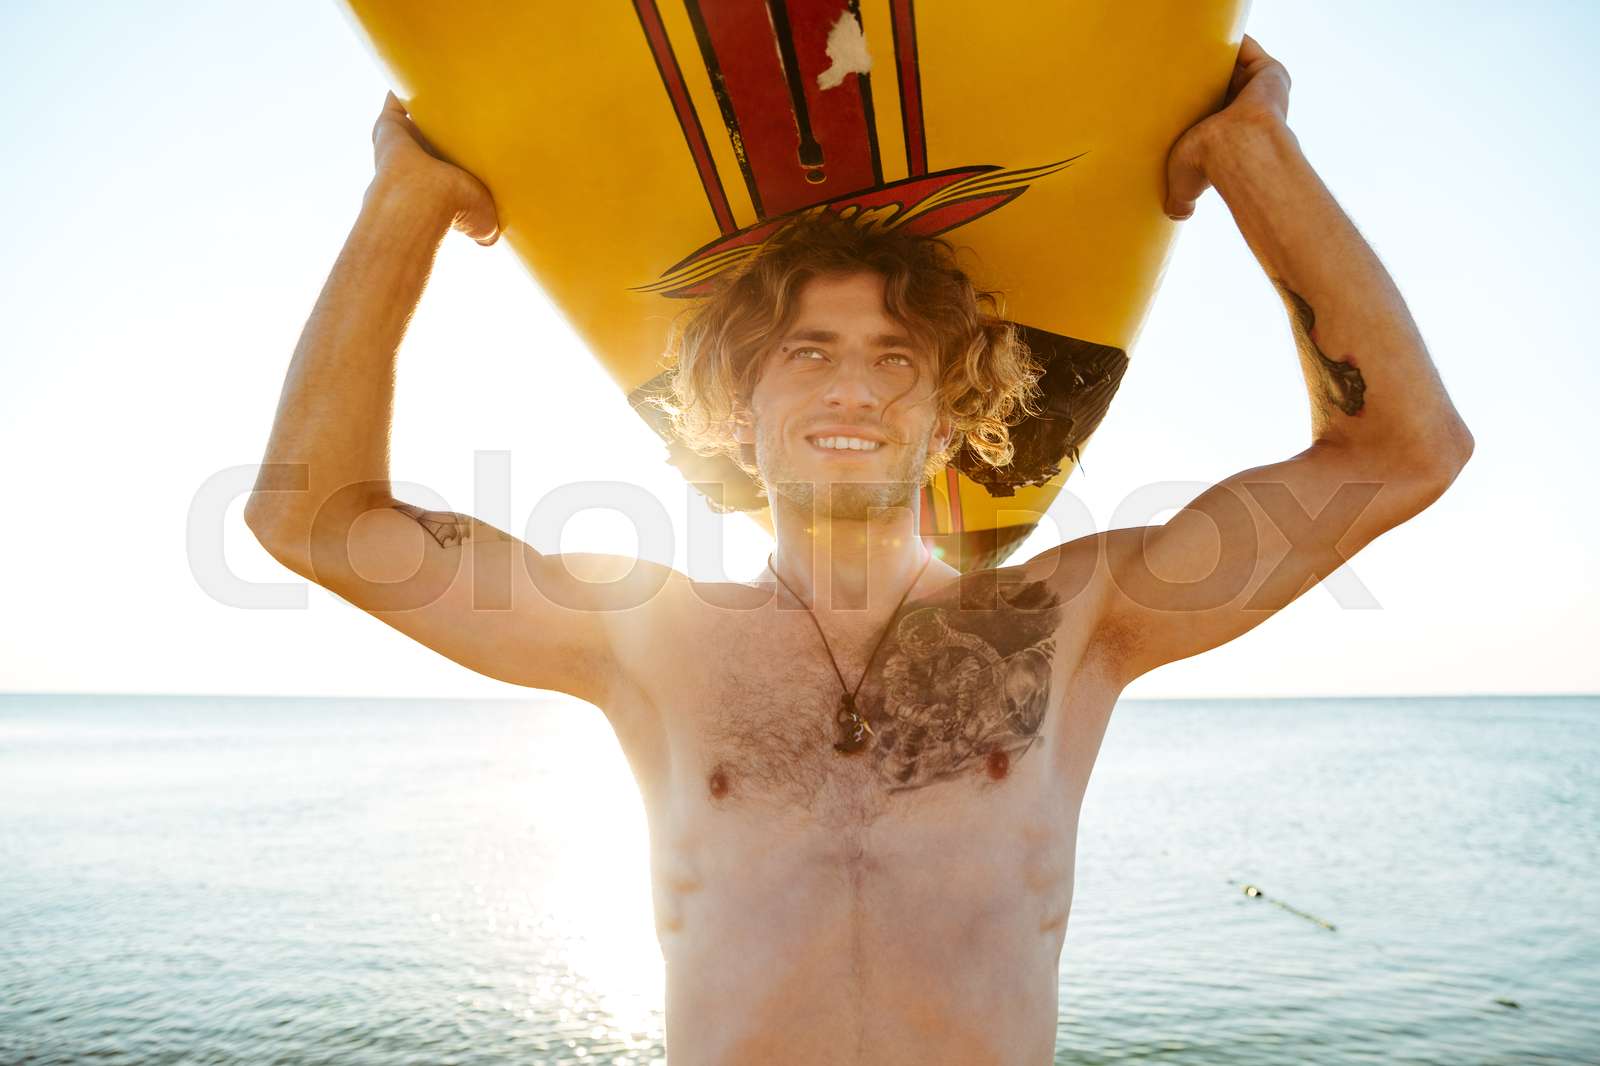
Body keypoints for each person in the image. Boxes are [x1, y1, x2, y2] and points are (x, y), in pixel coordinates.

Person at [245, 35, 1472, 1065]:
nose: (855, 389)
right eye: (807, 352)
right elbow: (311, 519)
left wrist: (1252, 158)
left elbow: (1401, 450)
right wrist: (402, 205)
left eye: (898, 359)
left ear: (949, 416)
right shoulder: (648, 636)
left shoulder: (1071, 617)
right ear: (737, 406)